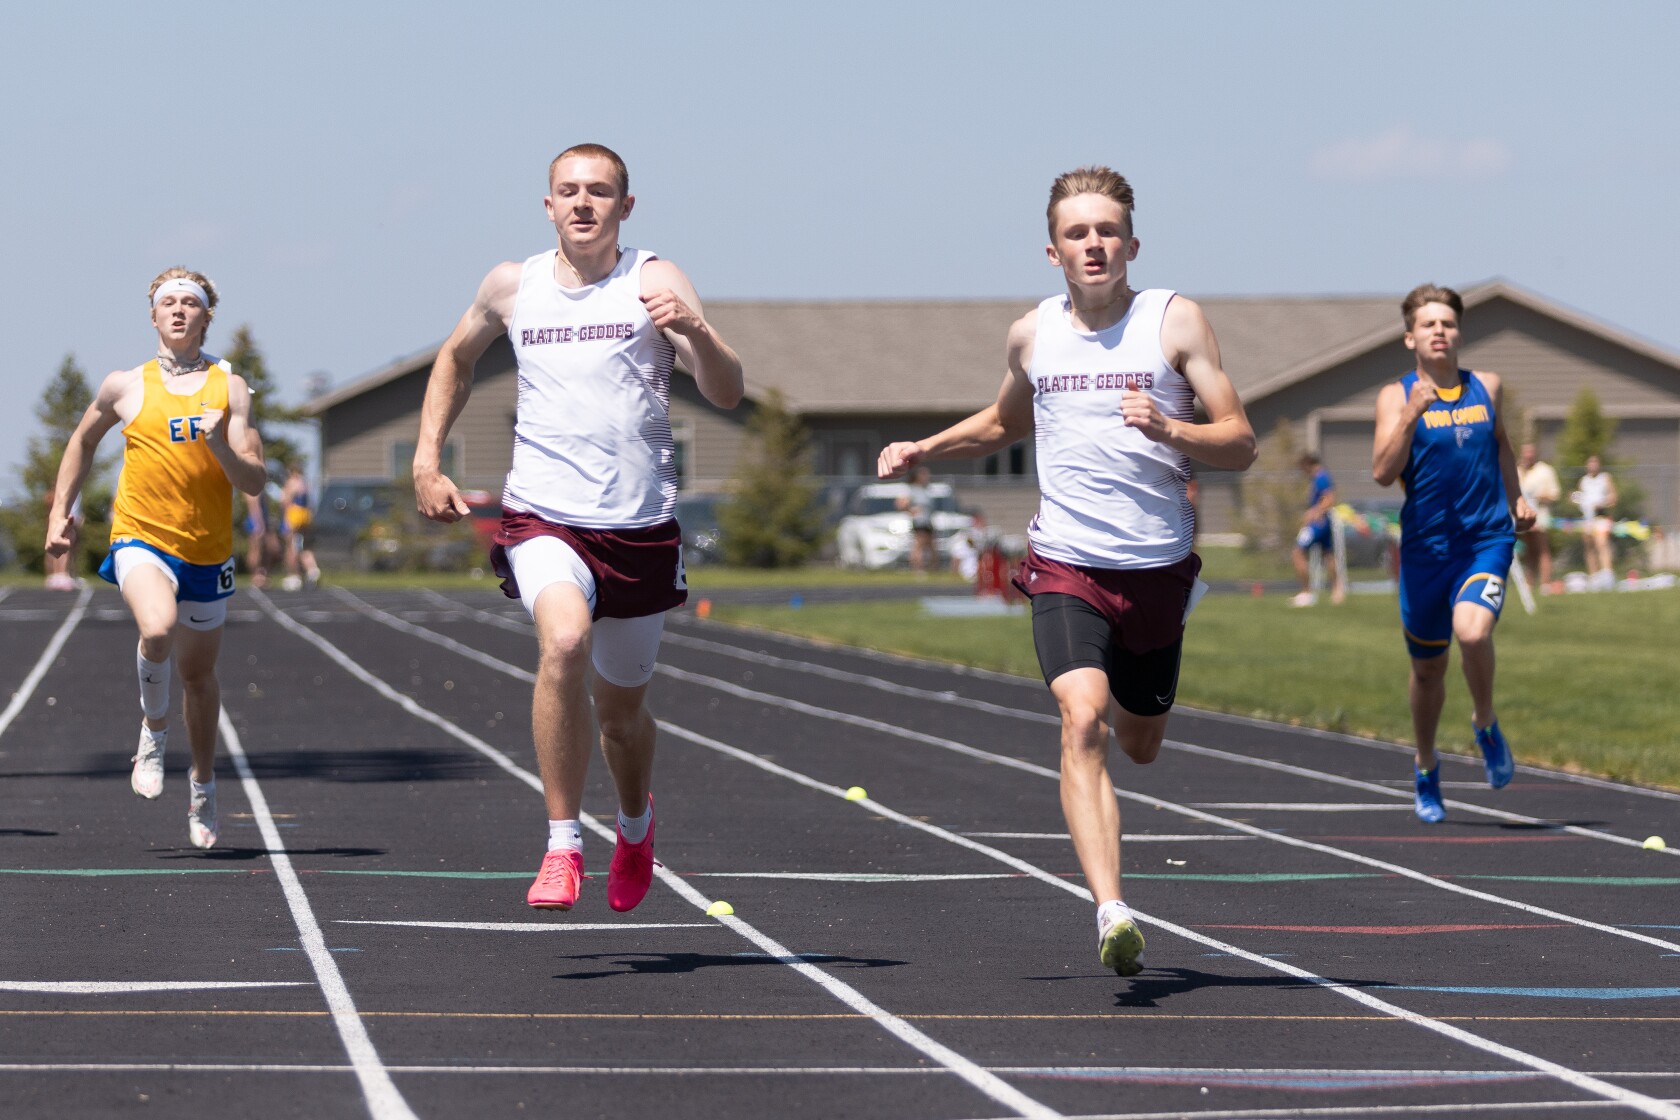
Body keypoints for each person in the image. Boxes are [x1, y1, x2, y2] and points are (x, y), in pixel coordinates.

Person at [878, 166, 1256, 977]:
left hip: (1155, 569)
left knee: (1140, 743)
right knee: (1080, 719)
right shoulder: (1032, 334)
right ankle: (1112, 910)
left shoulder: (1174, 321)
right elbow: (1002, 422)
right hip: (1065, 562)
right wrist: (924, 448)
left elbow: (1240, 440)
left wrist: (1171, 429)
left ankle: (1133, 700)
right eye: (1077, 233)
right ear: (1052, 252)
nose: (1094, 244)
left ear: (1132, 245)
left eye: (1107, 231)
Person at [414, 143, 743, 912]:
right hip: (543, 516)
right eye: (568, 191)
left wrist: (697, 332)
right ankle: (563, 844)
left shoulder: (653, 280)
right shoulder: (512, 286)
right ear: (548, 205)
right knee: (563, 642)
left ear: (626, 206)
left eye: (599, 191)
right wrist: (427, 459)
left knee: (620, 718)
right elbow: (454, 359)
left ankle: (634, 825)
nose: (582, 203)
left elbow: (727, 393)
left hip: (638, 528)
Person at [46, 268, 268, 849]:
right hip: (141, 537)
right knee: (157, 627)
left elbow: (254, 480)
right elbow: (82, 441)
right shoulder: (124, 386)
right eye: (167, 302)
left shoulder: (230, 388)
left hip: (207, 552)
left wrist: (218, 443)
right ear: (152, 316)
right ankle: (153, 729)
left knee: (198, 678)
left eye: (189, 302)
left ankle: (203, 785)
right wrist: (60, 512)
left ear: (205, 316)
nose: (177, 310)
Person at [1372, 284, 1533, 824]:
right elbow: (1382, 471)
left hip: (1485, 540)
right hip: (1426, 549)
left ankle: (1484, 722)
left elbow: (1501, 442)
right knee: (1428, 671)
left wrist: (1517, 497)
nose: (1439, 331)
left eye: (1447, 323)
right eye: (1428, 324)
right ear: (1410, 338)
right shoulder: (1396, 396)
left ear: (1459, 333)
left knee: (1473, 631)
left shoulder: (1487, 386)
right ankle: (1425, 766)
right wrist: (1411, 414)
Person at [1290, 452, 1342, 606]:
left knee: (1298, 553)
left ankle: (1307, 592)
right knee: (1328, 555)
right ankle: (1337, 590)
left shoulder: (1320, 477)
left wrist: (1314, 512)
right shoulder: (1321, 477)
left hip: (1318, 524)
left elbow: (1329, 499)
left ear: (1308, 465)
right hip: (1324, 523)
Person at [1516, 442, 1560, 589]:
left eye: (1530, 452)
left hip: (1541, 515)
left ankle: (1545, 582)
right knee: (1529, 549)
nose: (1528, 455)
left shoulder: (1545, 470)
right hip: (1523, 515)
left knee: (1542, 548)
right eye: (1525, 452)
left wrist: (1539, 497)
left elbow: (1554, 494)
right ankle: (1529, 582)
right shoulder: (1518, 471)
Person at [1572, 454, 1618, 588]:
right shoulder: (1583, 481)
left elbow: (1613, 497)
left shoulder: (1605, 478)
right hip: (1587, 518)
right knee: (1589, 546)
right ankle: (1593, 576)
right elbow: (1579, 498)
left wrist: (1602, 503)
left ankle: (1607, 574)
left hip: (1601, 516)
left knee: (1602, 544)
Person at [280, 462, 320, 590]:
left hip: (293, 516)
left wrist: (286, 520)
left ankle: (294, 575)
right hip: (304, 516)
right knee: (303, 546)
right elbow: (309, 503)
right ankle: (312, 569)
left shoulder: (291, 483)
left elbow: (285, 501)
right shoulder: (304, 483)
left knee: (291, 546)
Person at [898, 465, 936, 572]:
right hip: (919, 521)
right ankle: (918, 569)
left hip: (927, 521)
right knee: (919, 545)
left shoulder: (926, 489)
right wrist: (911, 510)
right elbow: (901, 504)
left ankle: (933, 569)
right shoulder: (912, 489)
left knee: (931, 545)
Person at [43, 494, 82, 591]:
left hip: (71, 518)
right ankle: (59, 574)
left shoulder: (77, 491)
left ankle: (63, 574)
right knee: (62, 545)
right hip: (65, 518)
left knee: (69, 547)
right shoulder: (64, 489)